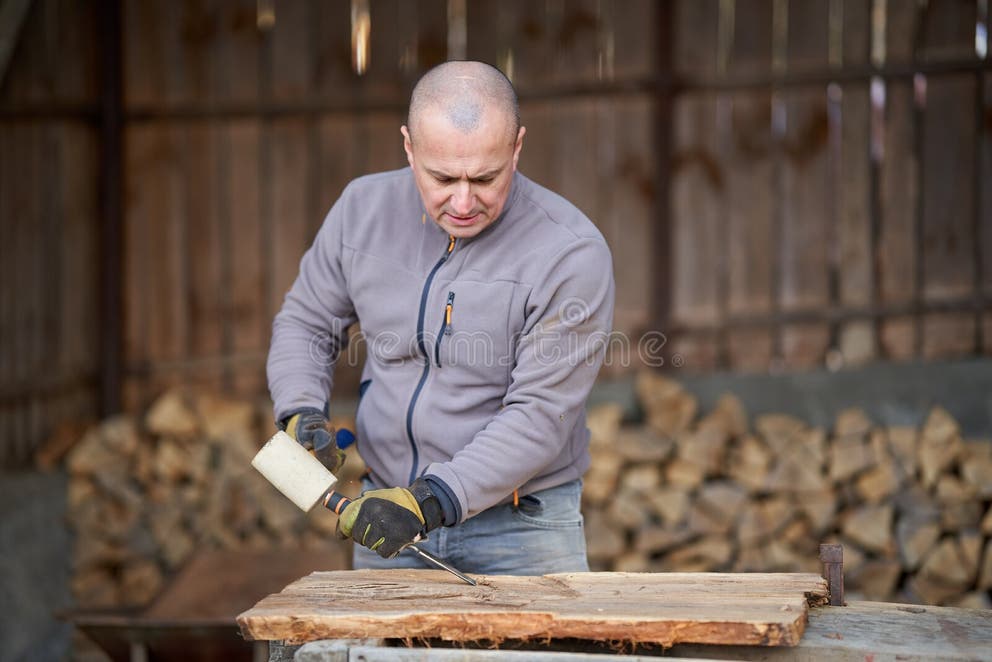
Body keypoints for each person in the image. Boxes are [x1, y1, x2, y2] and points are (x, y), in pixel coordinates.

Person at [266, 60, 614, 575]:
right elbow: (306, 321)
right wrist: (300, 411)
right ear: (409, 147)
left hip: (520, 534)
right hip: (384, 519)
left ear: (517, 147)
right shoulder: (361, 210)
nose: (464, 201)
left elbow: (540, 414)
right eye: (443, 177)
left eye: (486, 178)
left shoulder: (571, 253)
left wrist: (429, 501)